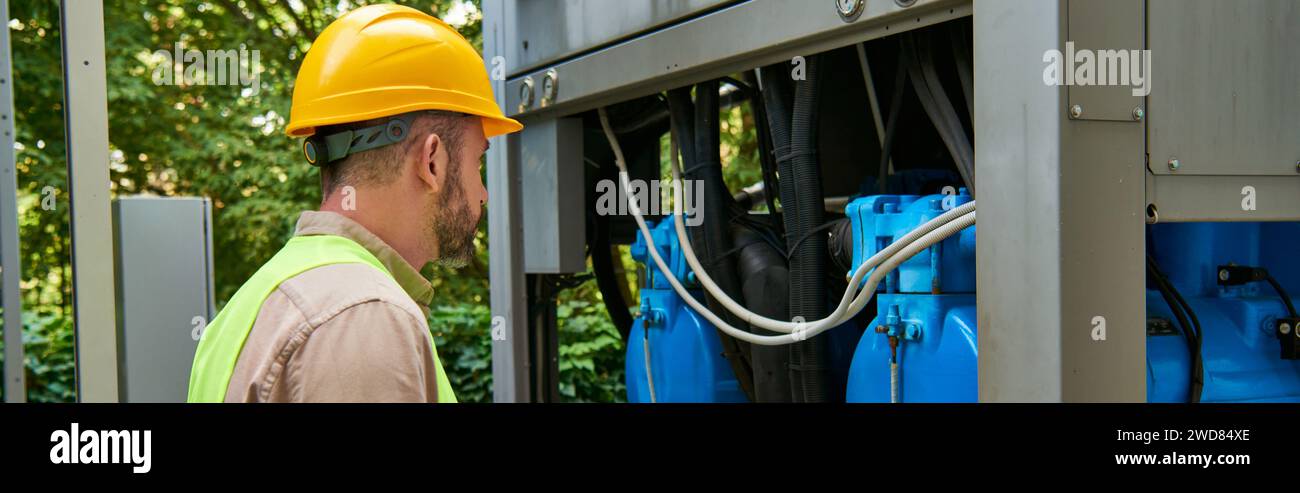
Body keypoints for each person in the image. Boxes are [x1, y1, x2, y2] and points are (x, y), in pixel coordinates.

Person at [187, 3, 521, 402]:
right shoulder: (363, 313)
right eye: (477, 161)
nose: (482, 192)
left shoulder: (252, 303)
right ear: (431, 160)